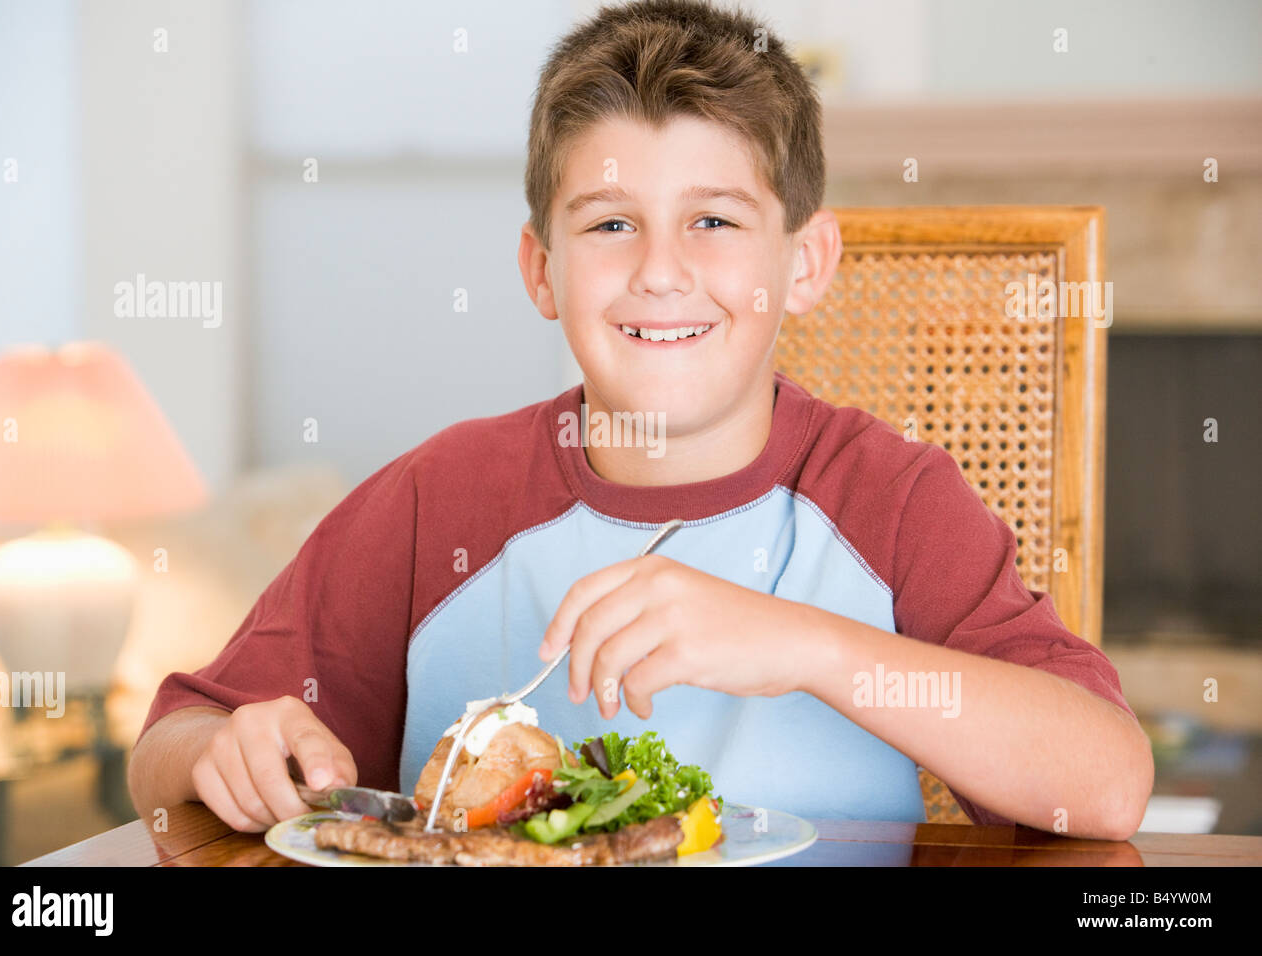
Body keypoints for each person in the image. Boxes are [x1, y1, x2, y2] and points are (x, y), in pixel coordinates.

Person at [128, 0, 1153, 841]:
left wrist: (809, 646)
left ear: (805, 263)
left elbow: (1103, 784)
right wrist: (230, 749)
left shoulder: (890, 501)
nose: (661, 271)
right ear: (542, 269)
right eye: (611, 225)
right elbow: (177, 737)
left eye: (713, 220)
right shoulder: (437, 498)